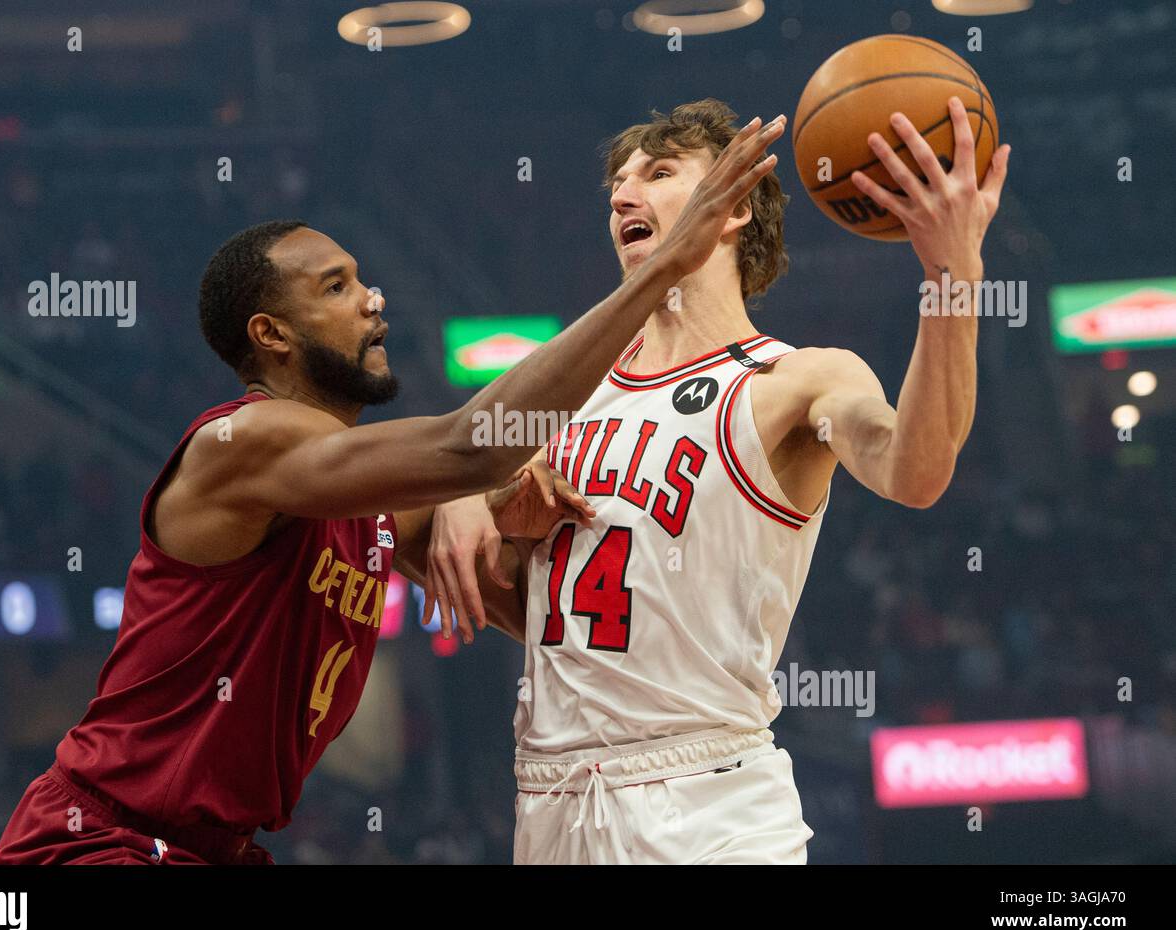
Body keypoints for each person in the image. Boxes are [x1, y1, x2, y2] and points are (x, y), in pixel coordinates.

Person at [0, 114, 786, 864]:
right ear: (271, 334)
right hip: (99, 836)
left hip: (214, 845)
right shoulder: (243, 442)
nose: (374, 299)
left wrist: (493, 511)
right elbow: (470, 444)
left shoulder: (369, 497)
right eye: (336, 289)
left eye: (364, 279)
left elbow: (537, 610)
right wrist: (662, 272)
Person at [425, 97, 1011, 863]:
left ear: (732, 208)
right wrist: (465, 492)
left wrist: (953, 271)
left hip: (706, 797)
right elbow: (461, 473)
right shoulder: (565, 394)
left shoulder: (793, 378)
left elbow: (919, 469)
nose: (622, 194)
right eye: (617, 183)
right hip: (550, 800)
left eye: (659, 172)